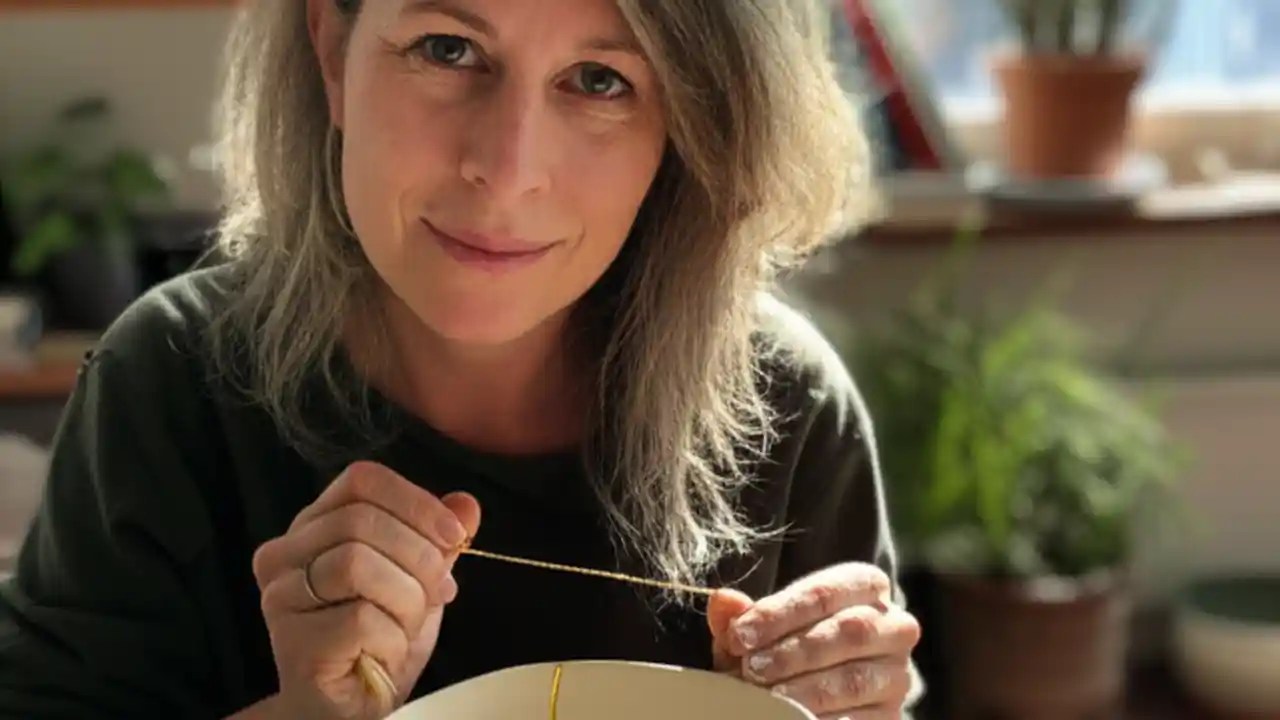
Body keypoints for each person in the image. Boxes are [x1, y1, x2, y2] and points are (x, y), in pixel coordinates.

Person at [0, 1, 922, 718]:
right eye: (448, 48)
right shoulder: (166, 385)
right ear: (332, 50)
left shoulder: (789, 407)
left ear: (688, 123)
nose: (508, 166)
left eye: (600, 79)